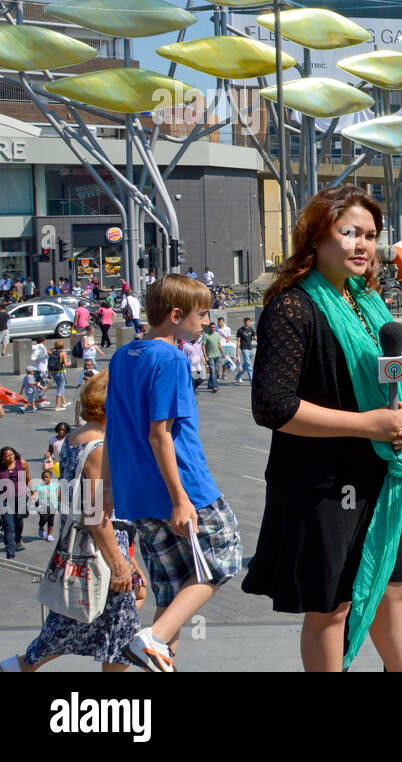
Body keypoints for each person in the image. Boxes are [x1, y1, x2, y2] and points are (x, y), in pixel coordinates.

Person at [244, 185, 402, 673]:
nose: (362, 244)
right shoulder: (292, 307)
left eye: (370, 235)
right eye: (349, 233)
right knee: (332, 606)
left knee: (391, 587)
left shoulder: (367, 306)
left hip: (376, 478)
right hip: (320, 483)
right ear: (317, 234)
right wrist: (366, 425)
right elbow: (272, 406)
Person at [104, 274, 243, 672]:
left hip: (137, 497)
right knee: (224, 556)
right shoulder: (171, 359)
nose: (207, 322)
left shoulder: (122, 356)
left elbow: (114, 426)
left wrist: (112, 486)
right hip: (183, 489)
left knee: (171, 591)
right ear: (176, 315)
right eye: (202, 314)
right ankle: (153, 639)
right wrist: (181, 498)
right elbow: (159, 435)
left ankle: (158, 647)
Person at [0, 373, 151, 673]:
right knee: (117, 632)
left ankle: (17, 667)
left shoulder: (74, 437)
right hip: (102, 547)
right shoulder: (99, 447)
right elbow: (96, 513)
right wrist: (120, 562)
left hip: (86, 544)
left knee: (90, 629)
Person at [0, 446, 30, 557]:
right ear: (2, 458)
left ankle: (18, 540)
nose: (10, 457)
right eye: (7, 456)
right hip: (5, 500)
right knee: (9, 526)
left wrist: (33, 491)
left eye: (11, 454)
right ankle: (10, 554)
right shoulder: (1, 467)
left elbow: (27, 478)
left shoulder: (22, 463)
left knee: (19, 523)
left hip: (20, 498)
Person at [201, 320, 223, 393]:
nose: (213, 328)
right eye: (211, 327)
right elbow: (203, 346)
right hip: (210, 356)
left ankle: (210, 384)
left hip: (217, 355)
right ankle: (214, 386)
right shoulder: (206, 335)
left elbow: (219, 344)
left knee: (215, 371)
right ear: (209, 328)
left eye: (214, 327)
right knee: (212, 371)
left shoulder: (216, 334)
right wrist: (205, 356)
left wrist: (223, 353)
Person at [48, 339, 70, 410]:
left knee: (60, 386)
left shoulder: (52, 353)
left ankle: (64, 402)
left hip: (53, 372)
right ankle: (57, 406)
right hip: (61, 372)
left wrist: (49, 374)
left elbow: (49, 363)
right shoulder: (63, 353)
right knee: (60, 388)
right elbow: (66, 364)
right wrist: (69, 363)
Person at [234, 316, 256, 383]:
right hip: (244, 348)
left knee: (245, 365)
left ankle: (238, 376)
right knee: (249, 365)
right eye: (246, 322)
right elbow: (238, 341)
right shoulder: (240, 330)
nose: (247, 324)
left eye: (248, 322)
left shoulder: (251, 329)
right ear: (244, 322)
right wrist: (237, 351)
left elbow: (255, 337)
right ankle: (252, 381)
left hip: (250, 349)